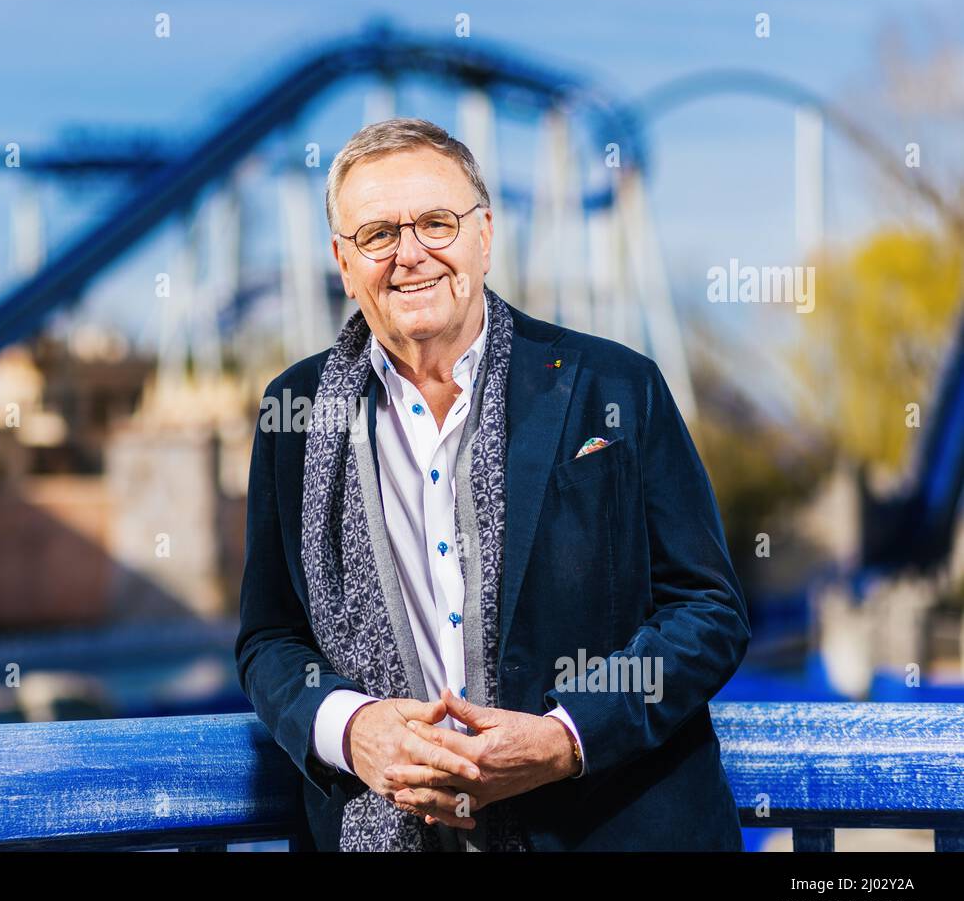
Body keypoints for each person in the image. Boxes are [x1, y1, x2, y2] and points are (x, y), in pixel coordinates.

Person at [235, 117, 750, 851]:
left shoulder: (615, 385)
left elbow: (708, 609)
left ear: (485, 233)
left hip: (607, 825)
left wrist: (566, 736)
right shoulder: (296, 414)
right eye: (377, 234)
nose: (410, 253)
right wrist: (352, 728)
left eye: (437, 223)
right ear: (343, 264)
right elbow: (269, 637)